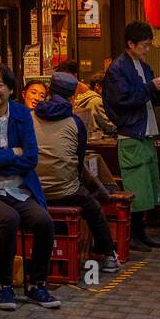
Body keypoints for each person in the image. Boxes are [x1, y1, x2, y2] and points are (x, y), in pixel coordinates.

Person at [0, 64, 61, 310]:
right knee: (10, 219)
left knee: (44, 221)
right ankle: (3, 286)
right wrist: (11, 154)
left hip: (18, 188)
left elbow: (31, 158)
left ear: (10, 89)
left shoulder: (21, 114)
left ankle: (37, 284)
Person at [32, 71, 120, 273]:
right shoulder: (76, 122)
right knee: (93, 207)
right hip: (65, 192)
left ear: (48, 92)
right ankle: (108, 255)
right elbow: (79, 165)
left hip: (34, 192)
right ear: (72, 97)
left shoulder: (30, 117)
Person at [103, 21, 160, 253]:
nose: (147, 50)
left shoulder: (143, 66)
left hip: (146, 133)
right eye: (144, 45)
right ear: (130, 44)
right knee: (136, 187)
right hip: (131, 135)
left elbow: (148, 98)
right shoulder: (118, 69)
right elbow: (122, 100)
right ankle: (132, 235)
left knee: (148, 187)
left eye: (149, 45)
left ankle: (141, 232)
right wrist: (151, 88)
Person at [73, 72, 117, 141]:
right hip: (97, 141)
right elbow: (108, 126)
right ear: (97, 86)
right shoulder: (97, 101)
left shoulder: (83, 98)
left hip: (84, 140)